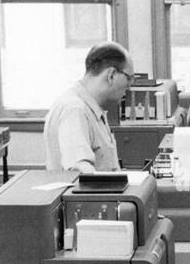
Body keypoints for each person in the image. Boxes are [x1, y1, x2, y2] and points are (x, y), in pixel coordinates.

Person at [43, 42, 132, 177]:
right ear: (111, 75)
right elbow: (79, 169)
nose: (129, 86)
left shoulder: (91, 107)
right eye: (129, 78)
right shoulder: (75, 110)